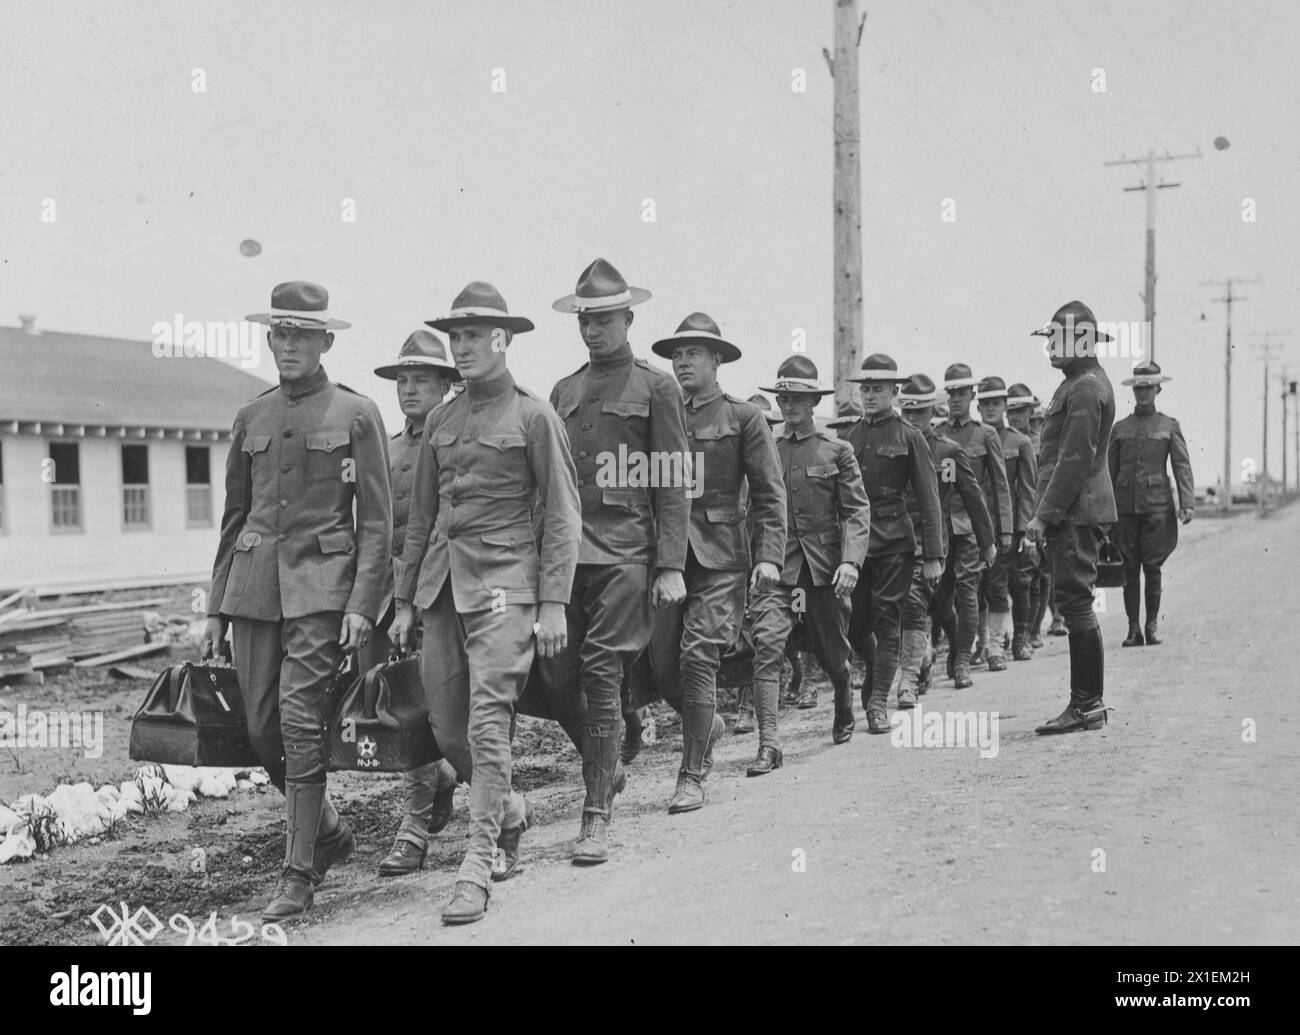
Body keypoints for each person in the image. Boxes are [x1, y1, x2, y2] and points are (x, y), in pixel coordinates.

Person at [391, 282, 581, 923]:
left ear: (503, 340)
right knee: (447, 728)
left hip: (507, 589)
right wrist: (404, 601)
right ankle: (513, 810)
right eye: (456, 337)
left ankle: (477, 862)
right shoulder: (440, 422)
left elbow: (561, 516)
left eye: (474, 336)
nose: (463, 348)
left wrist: (553, 603)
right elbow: (421, 520)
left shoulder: (534, 417)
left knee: (487, 719)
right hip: (443, 590)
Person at [204, 280, 392, 920]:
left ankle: (298, 872)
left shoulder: (356, 413)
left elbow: (377, 523)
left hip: (321, 592)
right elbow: (234, 519)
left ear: (325, 341)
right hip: (254, 594)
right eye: (278, 334)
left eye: (300, 335)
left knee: (298, 721)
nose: (286, 346)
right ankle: (330, 831)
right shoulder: (251, 417)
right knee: (260, 728)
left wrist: (364, 603)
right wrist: (214, 608)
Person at [541, 258, 690, 862]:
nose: (593, 329)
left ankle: (595, 814)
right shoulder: (563, 391)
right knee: (555, 677)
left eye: (604, 318)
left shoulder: (658, 387)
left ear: (628, 318)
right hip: (567, 559)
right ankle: (618, 738)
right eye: (585, 319)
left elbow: (674, 482)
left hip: (627, 552)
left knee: (600, 674)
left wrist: (671, 563)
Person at [622, 313, 785, 810]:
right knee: (663, 665)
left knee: (698, 656)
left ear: (717, 360)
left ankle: (691, 774)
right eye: (677, 353)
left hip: (720, 557)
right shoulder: (660, 413)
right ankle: (707, 724)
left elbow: (769, 493)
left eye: (694, 353)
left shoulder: (743, 418)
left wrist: (769, 558)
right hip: (667, 558)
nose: (682, 361)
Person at [362, 330, 462, 877]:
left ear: (447, 386)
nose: (408, 390)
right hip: (385, 601)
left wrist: (422, 598)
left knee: (433, 708)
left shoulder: (454, 444)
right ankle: (441, 779)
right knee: (397, 708)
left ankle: (414, 828)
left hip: (440, 596)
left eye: (421, 380)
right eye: (401, 381)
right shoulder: (390, 451)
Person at [747, 356, 870, 771]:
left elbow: (856, 511)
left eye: (797, 398)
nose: (788, 405)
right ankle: (769, 744)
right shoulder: (766, 448)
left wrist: (851, 562)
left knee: (832, 654)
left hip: (824, 570)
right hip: (778, 568)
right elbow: (754, 509)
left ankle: (842, 694)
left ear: (814, 400)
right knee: (766, 646)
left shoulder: (838, 450)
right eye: (783, 397)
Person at [1026, 301, 1118, 734]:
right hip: (1074, 511)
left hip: (1076, 512)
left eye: (1059, 340)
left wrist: (1044, 517)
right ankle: (1087, 703)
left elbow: (1073, 460)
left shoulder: (1084, 388)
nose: (1051, 349)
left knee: (1076, 602)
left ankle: (1086, 704)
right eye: (1050, 340)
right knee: (1074, 600)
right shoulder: (1078, 384)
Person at [842, 355, 944, 735]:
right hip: (855, 546)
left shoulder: (910, 437)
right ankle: (878, 676)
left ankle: (876, 703)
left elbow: (929, 498)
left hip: (895, 544)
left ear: (894, 392)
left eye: (878, 389)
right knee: (854, 623)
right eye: (865, 389)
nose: (869, 396)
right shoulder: (849, 438)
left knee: (887, 621)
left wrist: (932, 555)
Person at [896, 374, 994, 704]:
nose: (912, 420)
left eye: (920, 414)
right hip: (907, 540)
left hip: (950, 537)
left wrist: (987, 541)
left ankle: (962, 659)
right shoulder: (893, 450)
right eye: (907, 414)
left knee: (956, 597)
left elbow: (971, 496)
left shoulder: (947, 452)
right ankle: (925, 660)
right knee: (924, 605)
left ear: (932, 413)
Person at [1108, 361, 1195, 646]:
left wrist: (1187, 503)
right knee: (1129, 568)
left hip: (1157, 508)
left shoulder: (1169, 426)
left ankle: (1152, 625)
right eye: (1139, 388)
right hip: (1124, 509)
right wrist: (1103, 509)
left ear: (1158, 389)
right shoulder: (1120, 429)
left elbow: (1181, 466)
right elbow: (1108, 472)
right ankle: (1133, 629)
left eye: (1148, 388)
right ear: (1134, 390)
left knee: (1153, 567)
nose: (1143, 393)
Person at [940, 363, 1012, 685]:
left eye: (961, 393)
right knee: (940, 598)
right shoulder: (936, 433)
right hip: (940, 528)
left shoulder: (986, 435)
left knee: (968, 594)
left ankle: (963, 662)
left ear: (972, 395)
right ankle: (956, 648)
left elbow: (999, 486)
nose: (956, 399)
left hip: (971, 526)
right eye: (951, 392)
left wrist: (1004, 530)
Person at [976, 376, 1038, 666]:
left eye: (995, 403)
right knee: (989, 586)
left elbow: (1027, 490)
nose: (990, 409)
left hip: (1011, 526)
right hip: (980, 525)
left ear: (1004, 406)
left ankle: (1020, 639)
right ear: (978, 407)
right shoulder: (975, 439)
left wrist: (1026, 530)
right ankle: (992, 644)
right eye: (985, 403)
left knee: (1020, 582)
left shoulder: (1020, 442)